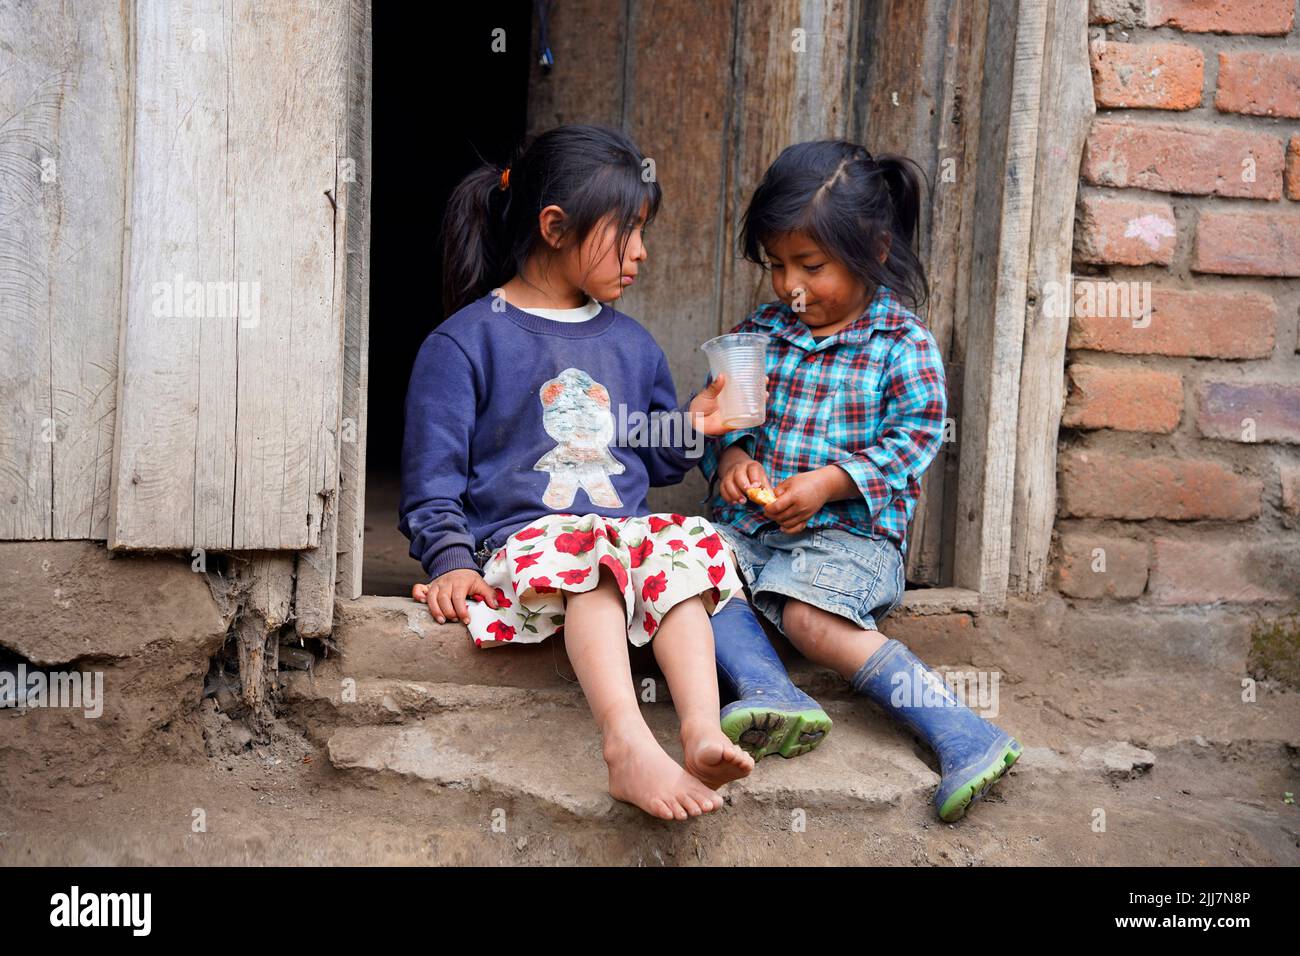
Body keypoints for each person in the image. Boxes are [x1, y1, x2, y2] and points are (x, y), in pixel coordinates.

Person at [399, 124, 754, 822]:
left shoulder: (632, 342)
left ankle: (701, 729)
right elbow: (432, 478)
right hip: (527, 550)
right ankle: (625, 740)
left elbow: (648, 457)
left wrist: (693, 425)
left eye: (643, 231)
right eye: (627, 232)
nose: (642, 253)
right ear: (556, 227)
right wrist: (449, 560)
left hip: (618, 541)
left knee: (678, 558)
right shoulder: (467, 342)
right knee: (594, 565)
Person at [700, 140, 1021, 822]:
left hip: (849, 544)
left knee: (807, 615)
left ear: (874, 249)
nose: (791, 286)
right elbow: (728, 420)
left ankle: (963, 731)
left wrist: (829, 483)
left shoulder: (900, 344)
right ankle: (770, 693)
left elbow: (917, 436)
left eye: (810, 266)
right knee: (689, 573)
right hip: (750, 536)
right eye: (777, 265)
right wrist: (732, 460)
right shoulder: (760, 333)